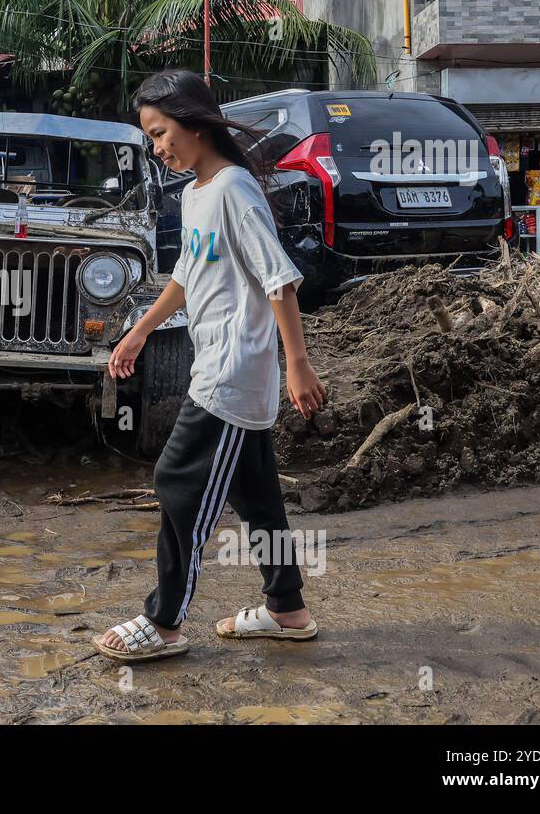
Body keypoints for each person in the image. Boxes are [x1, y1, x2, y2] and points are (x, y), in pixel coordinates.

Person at [93, 69, 328, 663]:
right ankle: (287, 610)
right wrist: (139, 332)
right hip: (219, 368)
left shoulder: (233, 190)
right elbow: (187, 277)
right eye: (150, 137)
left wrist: (297, 364)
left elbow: (279, 280)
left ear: (195, 124)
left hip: (232, 372)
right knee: (258, 498)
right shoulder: (197, 193)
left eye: (161, 132)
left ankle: (165, 621)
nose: (157, 147)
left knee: (177, 483)